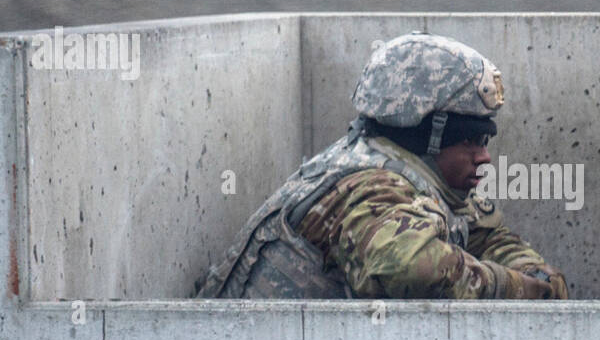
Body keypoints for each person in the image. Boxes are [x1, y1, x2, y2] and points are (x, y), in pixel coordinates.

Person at [195, 32, 567, 300]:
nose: (484, 157)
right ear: (428, 136)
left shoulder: (426, 178)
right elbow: (408, 268)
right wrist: (512, 287)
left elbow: (487, 235)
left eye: (485, 142)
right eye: (470, 140)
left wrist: (537, 276)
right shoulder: (369, 186)